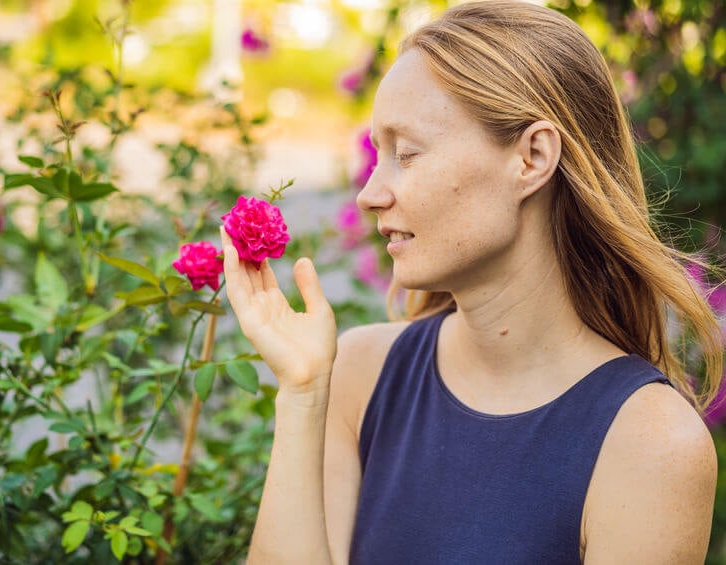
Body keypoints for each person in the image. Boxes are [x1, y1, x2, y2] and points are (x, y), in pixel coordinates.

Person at [219, 1, 725, 563]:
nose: (370, 195)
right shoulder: (357, 376)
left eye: (407, 155)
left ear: (532, 157)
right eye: (378, 156)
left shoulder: (650, 444)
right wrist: (302, 393)